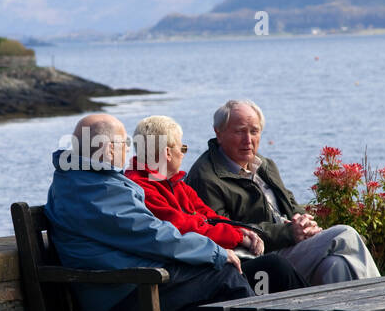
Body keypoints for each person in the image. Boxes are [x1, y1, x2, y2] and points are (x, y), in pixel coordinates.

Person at [185, 99, 385, 311]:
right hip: (264, 262)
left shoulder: (264, 165)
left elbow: (290, 204)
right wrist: (288, 232)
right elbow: (224, 232)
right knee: (345, 234)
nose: (248, 139)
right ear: (218, 133)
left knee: (337, 267)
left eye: (254, 131)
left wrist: (303, 220)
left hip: (292, 246)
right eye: (239, 131)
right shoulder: (206, 176)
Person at [44, 112, 253, 311]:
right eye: (124, 143)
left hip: (124, 287)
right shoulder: (97, 190)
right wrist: (214, 251)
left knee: (215, 301)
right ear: (109, 149)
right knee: (226, 279)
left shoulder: (78, 180)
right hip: (121, 297)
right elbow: (153, 236)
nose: (128, 149)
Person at [124, 115, 303, 295]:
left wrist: (243, 231)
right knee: (275, 268)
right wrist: (239, 238)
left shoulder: (175, 184)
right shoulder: (143, 189)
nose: (183, 154)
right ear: (168, 153)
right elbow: (184, 229)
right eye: (182, 148)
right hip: (185, 276)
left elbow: (209, 216)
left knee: (274, 268)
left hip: (203, 263)